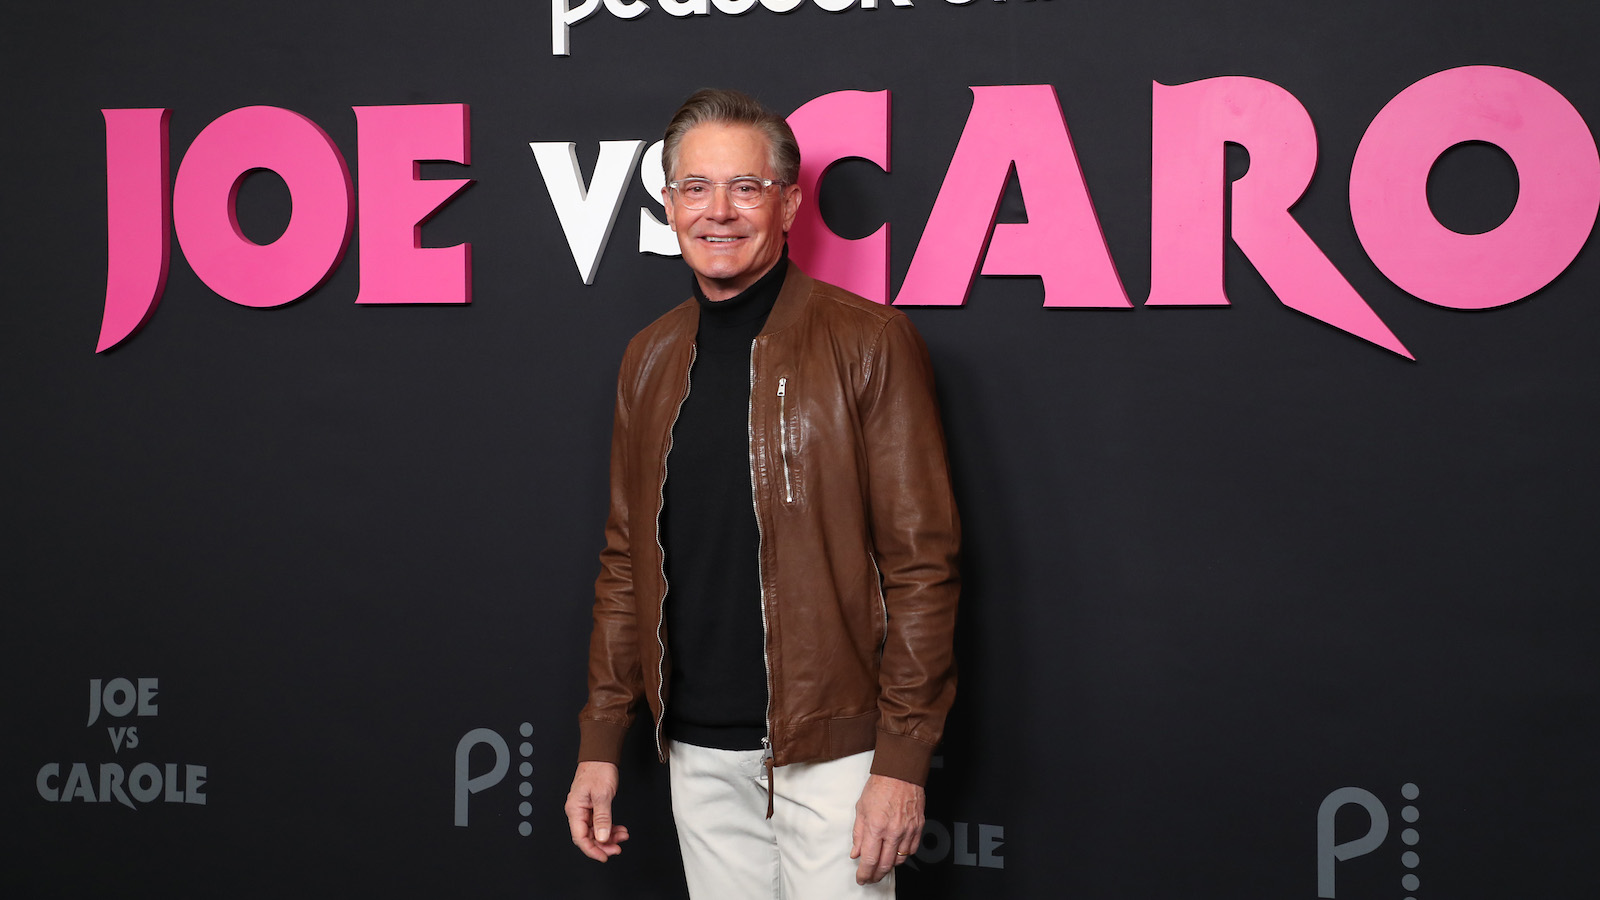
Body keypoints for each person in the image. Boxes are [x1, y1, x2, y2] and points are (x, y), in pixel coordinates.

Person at [564, 87, 960, 899]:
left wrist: (901, 760)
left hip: (838, 757)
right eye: (696, 188)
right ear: (669, 203)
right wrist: (601, 739)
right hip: (699, 759)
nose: (719, 212)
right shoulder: (649, 357)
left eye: (745, 188)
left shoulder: (870, 341)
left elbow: (923, 567)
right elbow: (624, 561)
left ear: (787, 202)